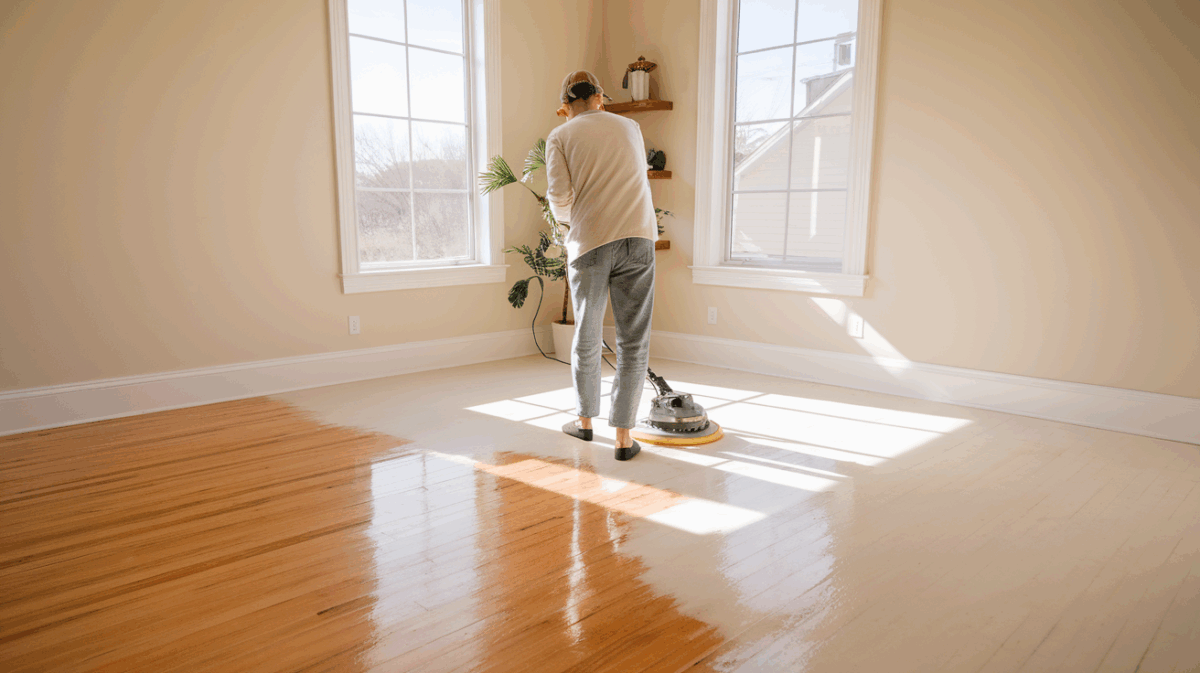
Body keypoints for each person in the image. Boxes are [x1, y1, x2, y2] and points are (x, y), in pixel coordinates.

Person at [545, 70, 658, 462]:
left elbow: (559, 195)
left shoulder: (560, 135)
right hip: (640, 235)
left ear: (565, 106)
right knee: (633, 340)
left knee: (588, 334)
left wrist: (565, 226)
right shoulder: (631, 125)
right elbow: (636, 175)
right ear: (600, 98)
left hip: (591, 240)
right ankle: (624, 437)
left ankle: (585, 423)